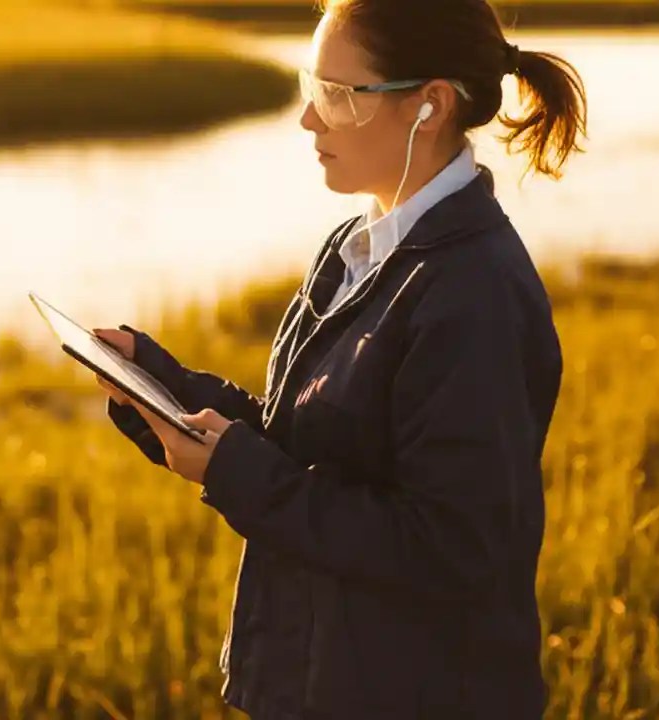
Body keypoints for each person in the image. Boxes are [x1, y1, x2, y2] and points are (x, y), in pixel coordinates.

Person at [91, 0, 587, 717]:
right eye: (308, 86)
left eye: (336, 94)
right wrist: (158, 384)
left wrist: (235, 470)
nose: (308, 120)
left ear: (429, 106)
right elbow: (309, 446)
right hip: (319, 686)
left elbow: (445, 548)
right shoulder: (356, 247)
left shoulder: (475, 294)